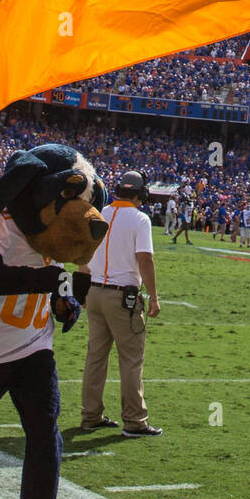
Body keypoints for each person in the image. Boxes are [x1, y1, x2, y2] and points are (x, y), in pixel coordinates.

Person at [79, 171, 161, 437]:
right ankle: (134, 420)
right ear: (140, 194)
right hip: (121, 296)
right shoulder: (140, 219)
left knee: (95, 357)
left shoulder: (99, 212)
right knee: (131, 360)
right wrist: (154, 296)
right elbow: (145, 260)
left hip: (94, 291)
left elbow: (84, 253)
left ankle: (91, 415)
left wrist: (82, 289)